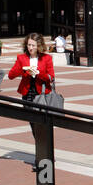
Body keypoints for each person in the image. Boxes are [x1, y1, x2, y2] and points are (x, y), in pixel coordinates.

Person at [7, 33, 56, 169]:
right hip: (27, 94)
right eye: (28, 45)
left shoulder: (46, 58)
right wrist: (24, 71)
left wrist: (38, 74)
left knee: (42, 125)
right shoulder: (21, 58)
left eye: (33, 45)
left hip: (42, 94)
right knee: (34, 125)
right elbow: (11, 75)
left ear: (39, 46)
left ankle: (42, 157)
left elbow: (51, 77)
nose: (30, 48)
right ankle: (43, 154)